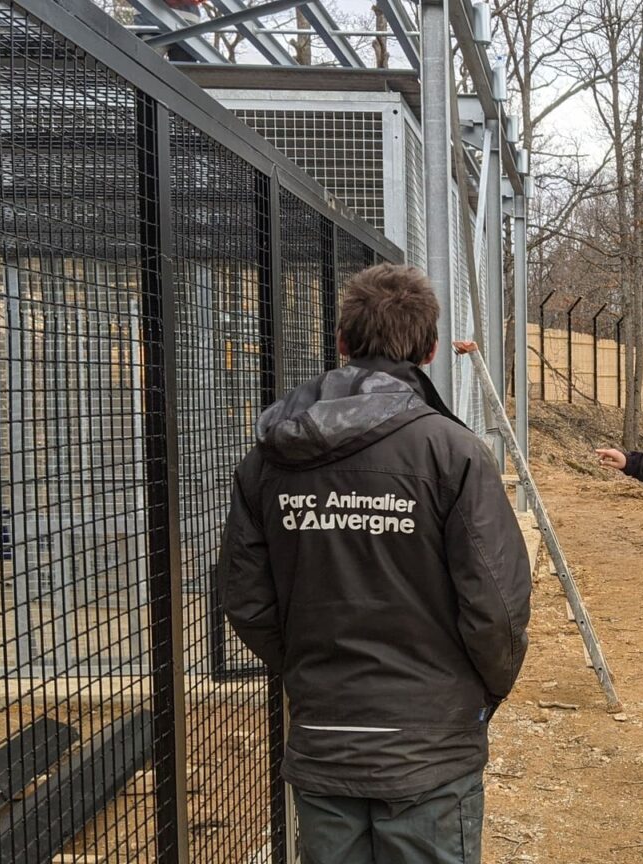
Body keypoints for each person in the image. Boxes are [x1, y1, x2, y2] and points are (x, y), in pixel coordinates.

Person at [217, 264, 532, 864]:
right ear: (432, 350)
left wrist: (310, 670)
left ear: (341, 343)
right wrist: (475, 694)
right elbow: (497, 604)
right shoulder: (454, 453)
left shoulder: (267, 461)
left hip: (324, 737)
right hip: (429, 747)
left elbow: (247, 600)